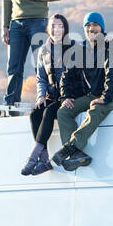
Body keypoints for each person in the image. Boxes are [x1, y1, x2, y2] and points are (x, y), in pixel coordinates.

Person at [54, 11, 113, 171]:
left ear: (101, 28)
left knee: (97, 108)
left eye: (95, 25)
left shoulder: (111, 45)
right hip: (94, 95)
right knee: (63, 112)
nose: (91, 28)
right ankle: (78, 155)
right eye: (87, 25)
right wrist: (65, 96)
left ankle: (70, 147)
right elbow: (66, 75)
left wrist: (107, 97)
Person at [21, 13, 74, 175]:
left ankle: (33, 156)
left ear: (65, 29)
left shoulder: (73, 47)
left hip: (69, 95)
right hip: (52, 95)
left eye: (60, 26)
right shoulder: (43, 50)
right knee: (35, 113)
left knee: (50, 112)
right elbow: (41, 78)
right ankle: (44, 159)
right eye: (53, 25)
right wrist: (41, 96)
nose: (56, 29)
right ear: (48, 29)